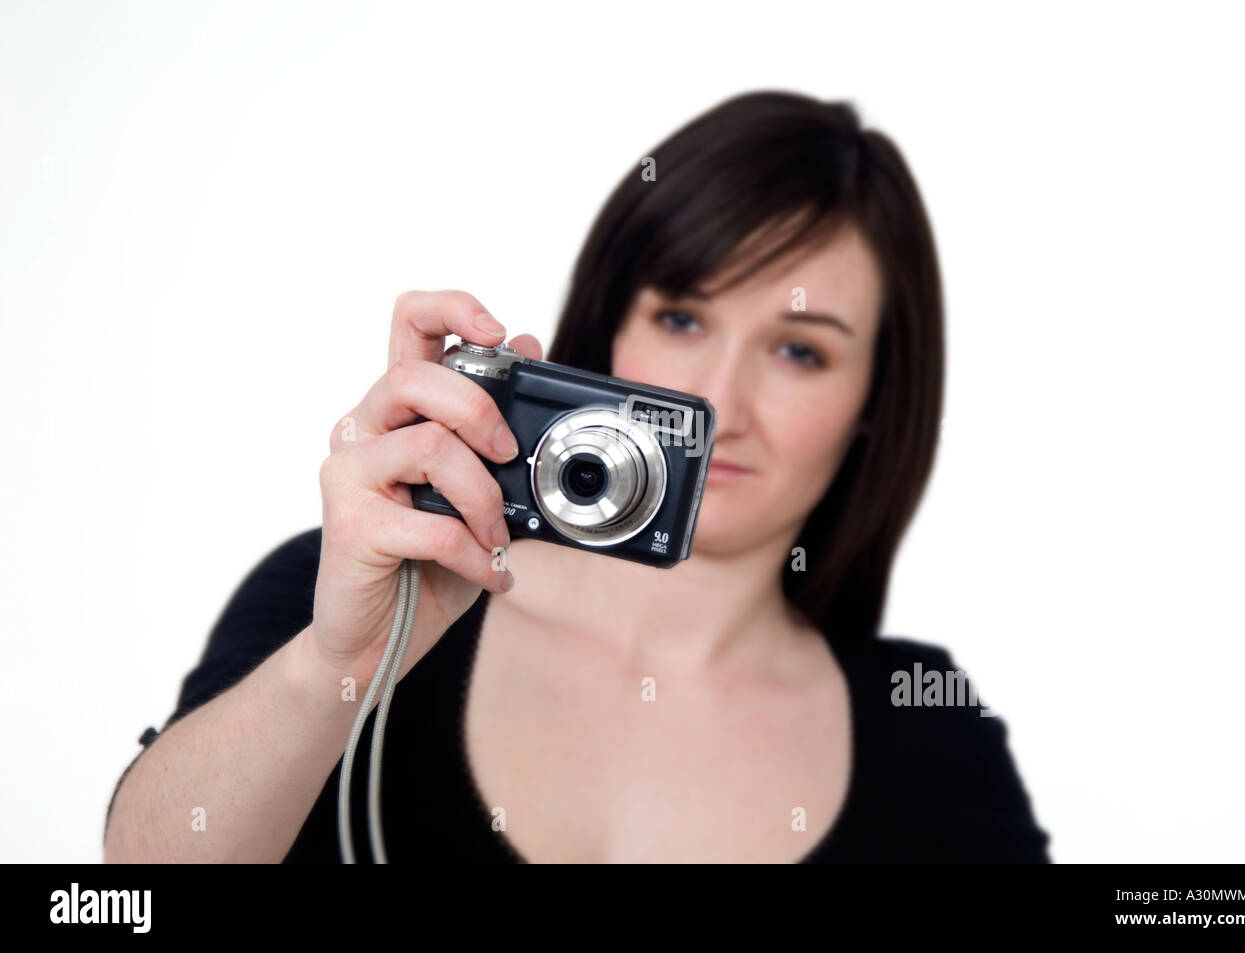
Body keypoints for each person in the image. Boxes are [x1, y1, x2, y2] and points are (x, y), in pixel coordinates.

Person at [103, 90, 1051, 863]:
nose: (722, 398)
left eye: (800, 351)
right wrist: (343, 663)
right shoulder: (360, 592)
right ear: (612, 328)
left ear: (874, 402)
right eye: (682, 318)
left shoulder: (925, 735)